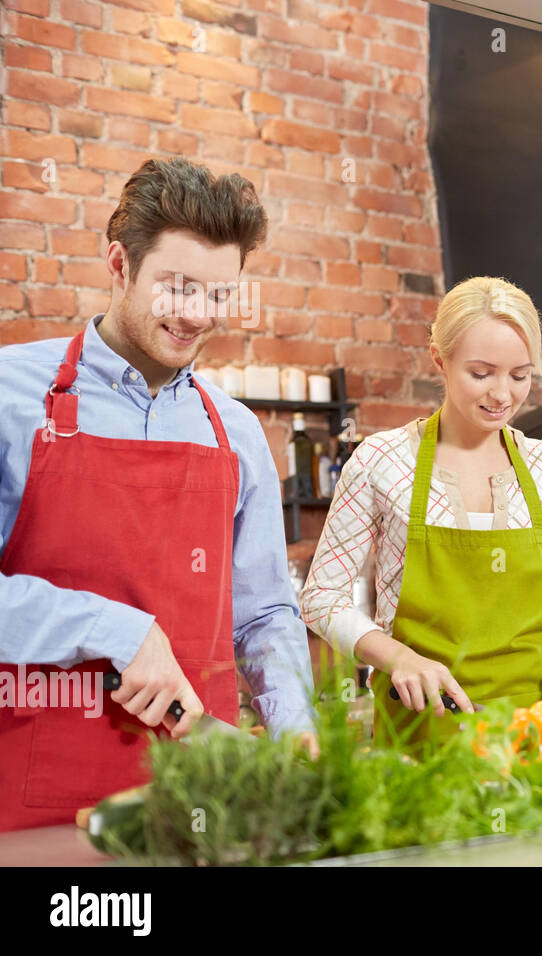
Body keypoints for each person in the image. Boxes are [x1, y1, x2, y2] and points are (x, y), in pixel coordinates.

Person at [0, 158, 315, 832]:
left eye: (219, 294)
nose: (198, 315)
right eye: (178, 287)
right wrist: (112, 630)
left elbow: (264, 615)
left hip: (205, 797)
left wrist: (297, 730)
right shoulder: (10, 397)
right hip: (36, 801)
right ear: (120, 265)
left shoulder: (235, 432)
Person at [299, 277, 542, 743]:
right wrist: (399, 659)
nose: (502, 394)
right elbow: (322, 597)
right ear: (439, 358)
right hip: (420, 733)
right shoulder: (381, 461)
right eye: (481, 373)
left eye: (520, 376)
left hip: (534, 738)